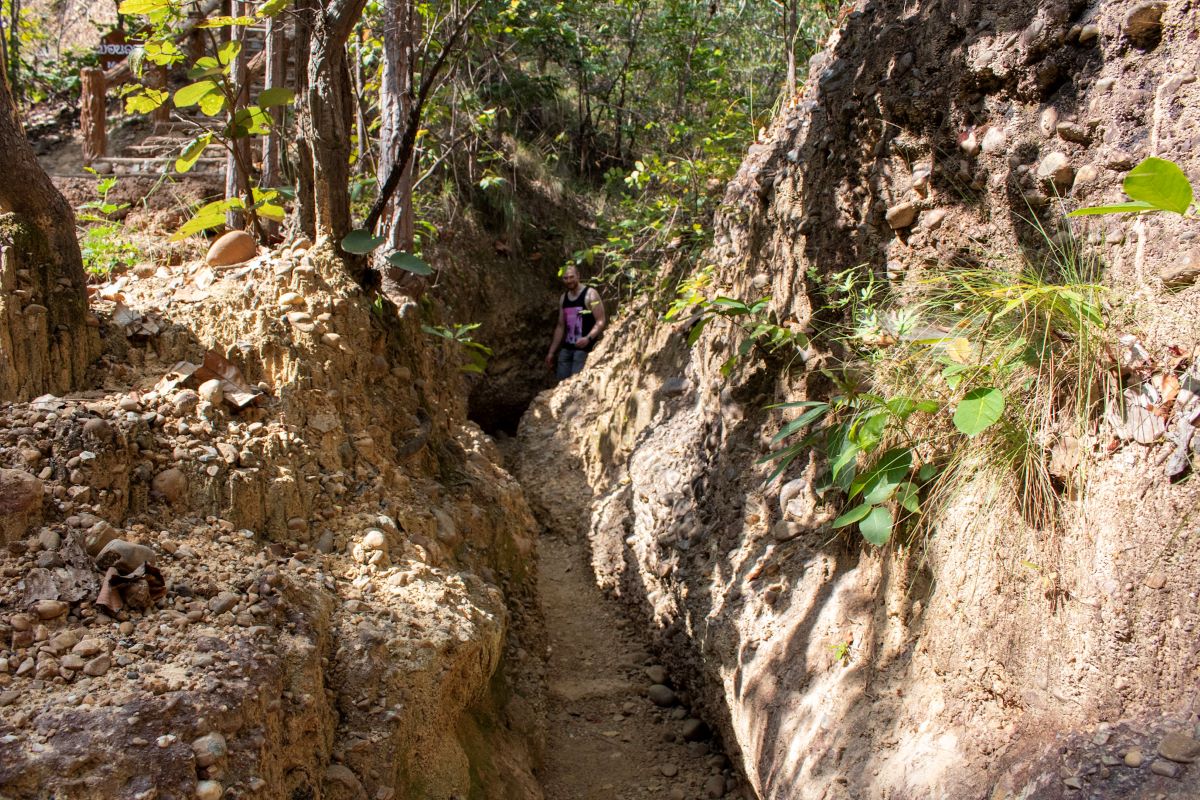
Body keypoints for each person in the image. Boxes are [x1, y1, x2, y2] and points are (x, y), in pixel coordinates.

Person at [545, 266, 606, 380]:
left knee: (575, 382)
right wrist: (551, 352)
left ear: (578, 275)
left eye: (571, 277)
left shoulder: (590, 294)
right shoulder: (563, 298)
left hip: (584, 349)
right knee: (561, 383)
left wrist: (588, 338)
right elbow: (560, 326)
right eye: (565, 278)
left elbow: (601, 320)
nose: (569, 281)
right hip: (566, 349)